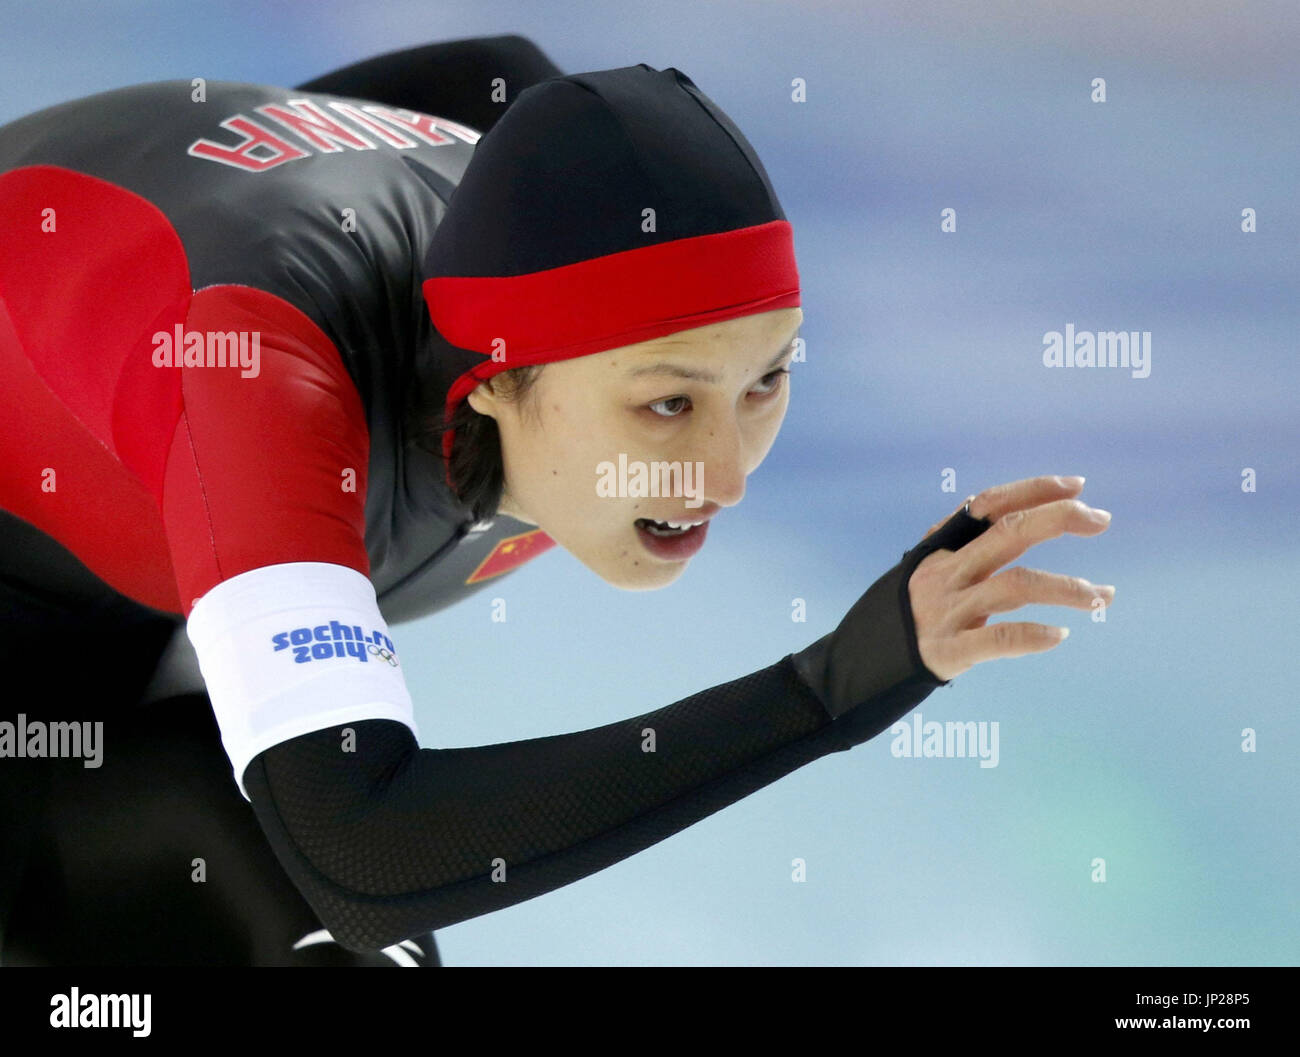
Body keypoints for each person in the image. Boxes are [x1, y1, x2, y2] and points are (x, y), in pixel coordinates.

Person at [0, 35, 1115, 966]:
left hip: (109, 613)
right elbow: (362, 856)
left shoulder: (526, 183)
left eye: (768, 379)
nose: (727, 477)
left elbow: (489, 68)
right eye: (669, 407)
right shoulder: (255, 369)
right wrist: (820, 693)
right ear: (491, 385)